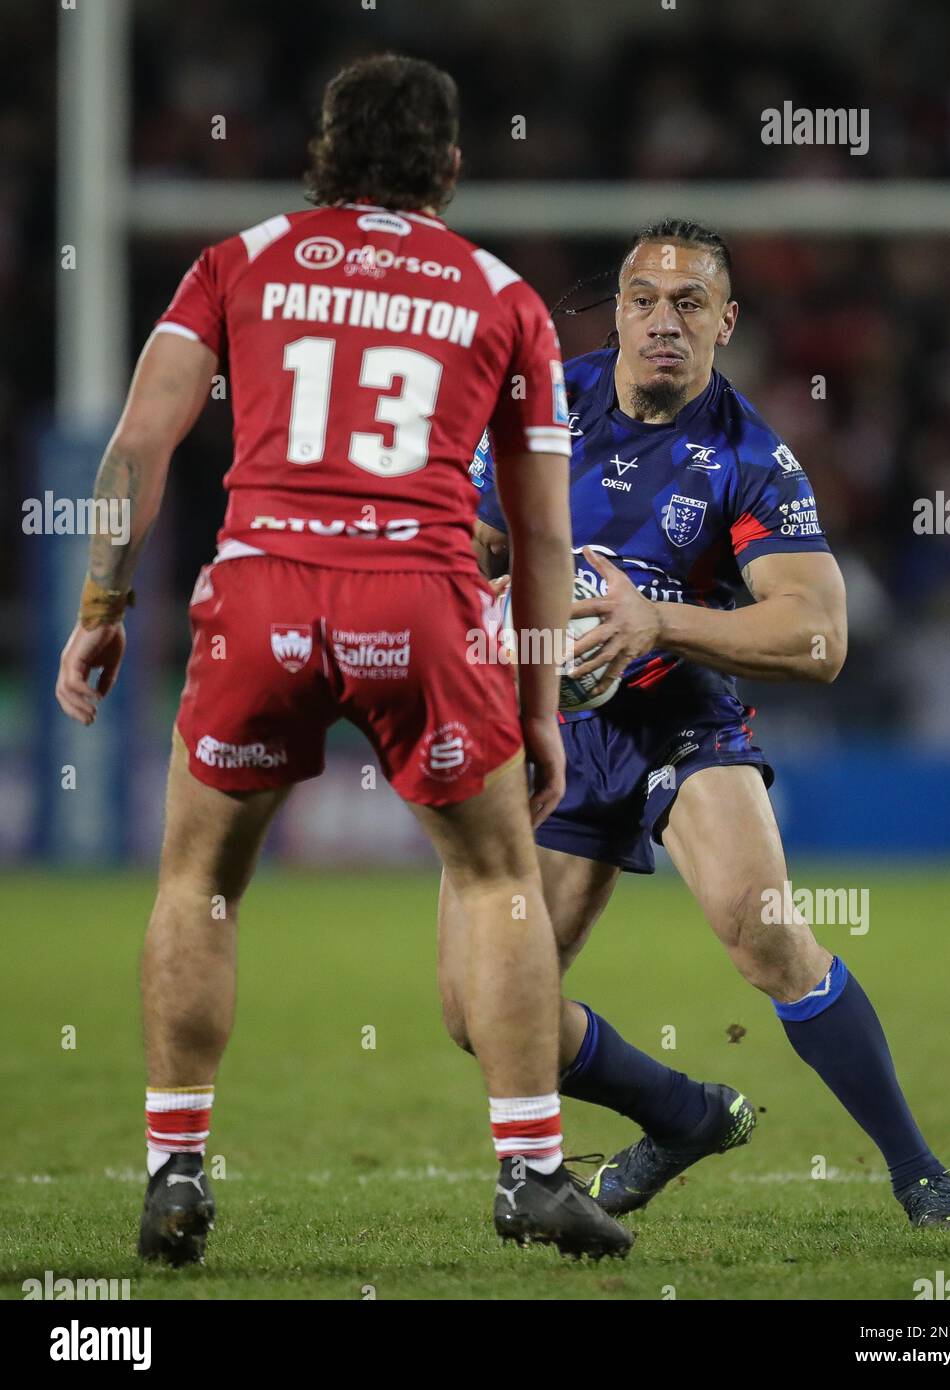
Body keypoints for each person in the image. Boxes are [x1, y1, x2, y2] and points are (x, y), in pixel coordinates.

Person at [55, 53, 632, 1264]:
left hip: (263, 587)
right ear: (450, 166)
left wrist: (102, 604)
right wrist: (536, 704)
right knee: (497, 878)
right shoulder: (501, 295)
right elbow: (539, 534)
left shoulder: (239, 260)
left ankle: (174, 1170)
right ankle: (531, 1173)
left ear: (322, 152)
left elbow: (135, 447)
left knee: (198, 881)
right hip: (418, 598)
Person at [441, 219, 950, 1230]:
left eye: (688, 303)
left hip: (677, 709)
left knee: (762, 925)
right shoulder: (539, 404)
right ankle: (682, 1114)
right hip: (544, 722)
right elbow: (469, 545)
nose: (663, 321)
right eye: (643, 300)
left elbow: (819, 634)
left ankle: (921, 1175)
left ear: (725, 322)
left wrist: (657, 622)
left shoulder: (748, 455)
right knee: (481, 1008)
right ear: (616, 313)